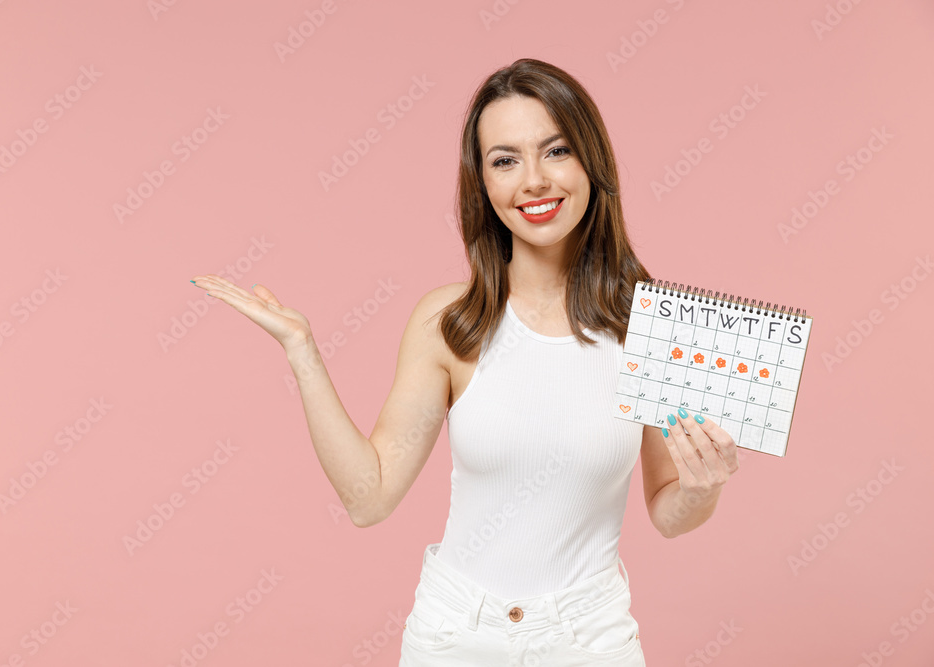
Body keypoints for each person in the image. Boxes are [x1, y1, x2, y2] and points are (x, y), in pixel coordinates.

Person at [190, 58, 739, 666]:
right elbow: (368, 498)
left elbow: (669, 510)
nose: (533, 180)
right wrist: (302, 352)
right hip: (455, 636)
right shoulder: (449, 322)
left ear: (592, 163)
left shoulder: (654, 325)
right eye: (505, 160)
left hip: (590, 640)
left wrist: (703, 487)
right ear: (482, 183)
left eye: (555, 151)